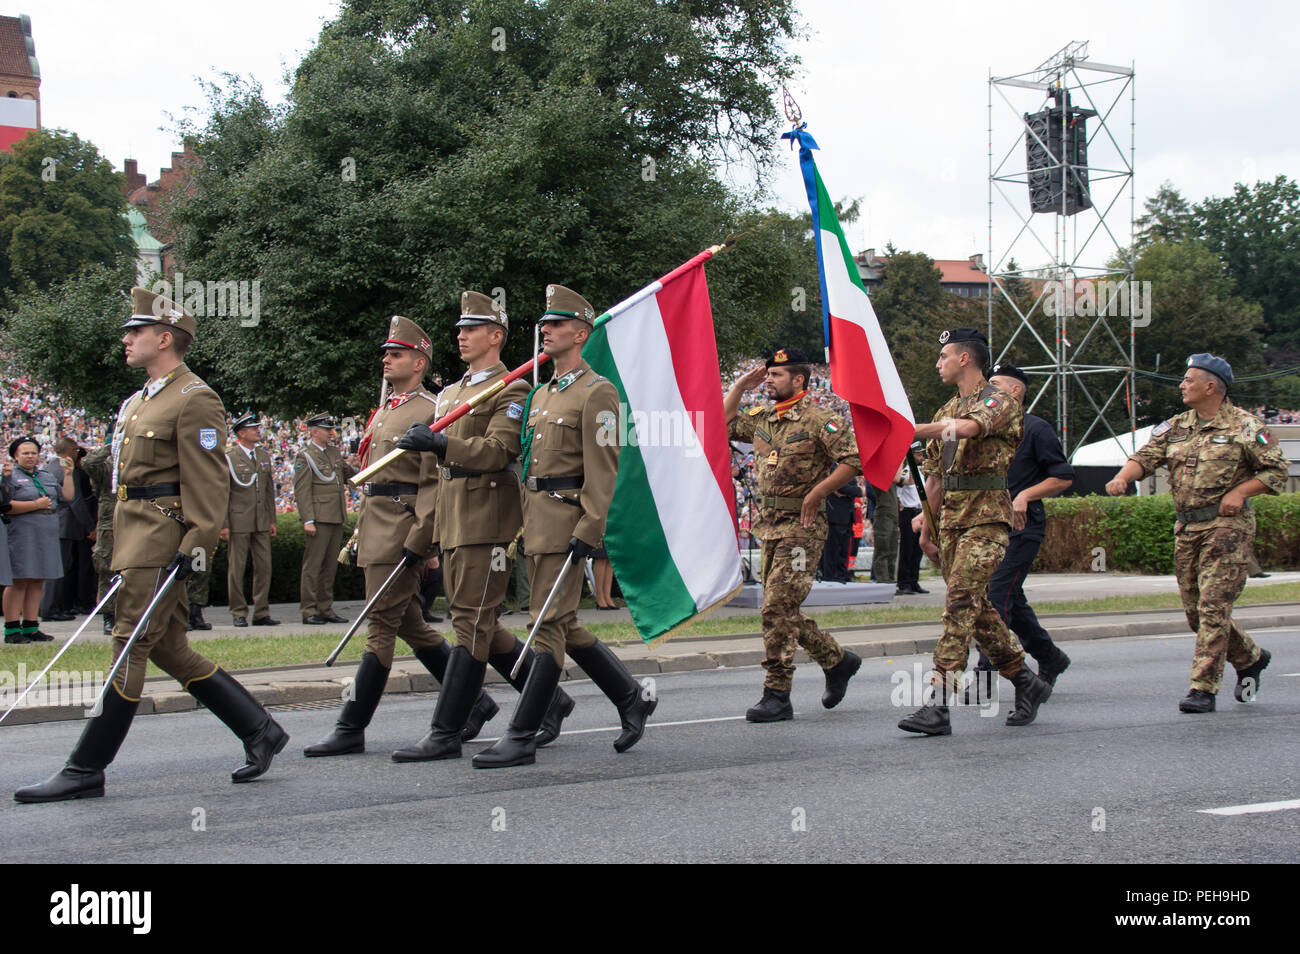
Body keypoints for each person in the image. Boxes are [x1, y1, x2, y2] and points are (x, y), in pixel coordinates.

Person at [15, 287, 288, 803]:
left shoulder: (195, 398)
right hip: (133, 531)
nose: (126, 338)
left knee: (129, 642)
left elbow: (208, 483)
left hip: (162, 536)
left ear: (164, 339)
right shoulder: (140, 400)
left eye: (135, 331)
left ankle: (86, 767)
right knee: (168, 646)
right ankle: (260, 729)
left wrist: (195, 544)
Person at [472, 284, 656, 768]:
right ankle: (631, 697)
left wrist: (590, 528)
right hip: (537, 522)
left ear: (580, 332)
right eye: (544, 324)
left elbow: (606, 467)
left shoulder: (600, 393)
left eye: (555, 324)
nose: (545, 331)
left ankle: (521, 733)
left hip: (568, 521)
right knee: (563, 623)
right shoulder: (539, 394)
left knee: (545, 625)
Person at [391, 289, 575, 761]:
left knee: (471, 623)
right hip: (452, 517)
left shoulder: (511, 389)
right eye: (459, 329)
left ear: (495, 336)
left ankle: (446, 730)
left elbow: (498, 452)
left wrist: (441, 446)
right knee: (474, 621)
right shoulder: (451, 394)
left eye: (470, 329)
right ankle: (550, 698)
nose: (460, 336)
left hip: (486, 520)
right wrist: (426, 528)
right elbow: (435, 476)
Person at [303, 314, 497, 757]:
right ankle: (476, 700)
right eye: (387, 354)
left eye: (397, 354)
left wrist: (421, 537)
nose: (387, 361)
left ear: (419, 361)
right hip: (376, 521)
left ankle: (351, 725)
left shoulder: (429, 410)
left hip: (400, 524)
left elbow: (433, 482)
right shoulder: (386, 409)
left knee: (380, 626)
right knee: (408, 622)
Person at [1106, 353, 1287, 713]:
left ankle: (1203, 688)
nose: (1182, 385)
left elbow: (1277, 470)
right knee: (1195, 612)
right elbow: (1145, 456)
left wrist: (1240, 493)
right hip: (1187, 526)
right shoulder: (1175, 426)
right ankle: (1250, 657)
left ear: (1211, 386)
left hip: (1227, 527)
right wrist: (1123, 477)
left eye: (1189, 380)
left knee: (1213, 606)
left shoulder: (1245, 426)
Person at [899, 328, 1053, 735]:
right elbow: (934, 479)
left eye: (944, 356)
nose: (938, 363)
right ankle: (1026, 680)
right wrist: (926, 532)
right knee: (978, 611)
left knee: (959, 602)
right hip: (951, 520)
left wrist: (909, 430)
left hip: (986, 519)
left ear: (965, 359)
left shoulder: (998, 401)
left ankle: (937, 703)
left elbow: (967, 429)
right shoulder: (946, 409)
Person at [723, 348, 863, 722]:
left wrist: (818, 492)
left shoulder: (821, 419)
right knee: (783, 611)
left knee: (776, 609)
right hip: (769, 527)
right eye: (768, 374)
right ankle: (837, 661)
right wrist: (740, 385)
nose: (768, 380)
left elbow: (854, 459)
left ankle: (777, 693)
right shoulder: (765, 418)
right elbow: (723, 422)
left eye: (777, 375)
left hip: (802, 530)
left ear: (799, 379)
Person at [971, 364, 1075, 685]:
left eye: (996, 385)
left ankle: (988, 667)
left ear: (1015, 391)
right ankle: (1049, 657)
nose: (988, 391)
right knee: (1011, 598)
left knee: (996, 594)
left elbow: (1062, 477)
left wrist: (1025, 495)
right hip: (989, 527)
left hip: (1021, 528)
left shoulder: (1036, 429)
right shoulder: (985, 430)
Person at [3, 436, 73, 643]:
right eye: (25, 453)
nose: (30, 456)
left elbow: (67, 497)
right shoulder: (10, 476)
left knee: (37, 579)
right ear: (15, 456)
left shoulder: (46, 476)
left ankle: (31, 626)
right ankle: (12, 628)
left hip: (46, 532)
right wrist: (35, 505)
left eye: (33, 452)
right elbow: (6, 505)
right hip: (21, 532)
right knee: (18, 580)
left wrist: (68, 475)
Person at [294, 413, 356, 625]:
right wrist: (307, 519)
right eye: (326, 429)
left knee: (330, 567)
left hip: (336, 515)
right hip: (319, 518)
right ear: (314, 431)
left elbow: (350, 475)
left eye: (331, 429)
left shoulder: (333, 452)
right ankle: (309, 610)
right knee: (313, 567)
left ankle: (325, 608)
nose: (331, 433)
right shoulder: (305, 456)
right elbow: (302, 491)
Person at [222, 412, 278, 627]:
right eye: (253, 428)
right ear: (241, 433)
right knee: (237, 568)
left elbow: (268, 491)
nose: (258, 431)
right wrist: (224, 525)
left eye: (258, 427)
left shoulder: (262, 456)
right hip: (238, 521)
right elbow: (223, 494)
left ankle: (261, 612)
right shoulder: (230, 457)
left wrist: (272, 519)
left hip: (261, 521)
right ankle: (238, 612)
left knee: (264, 567)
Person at [80, 444, 119, 634]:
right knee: (107, 568)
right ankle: (109, 616)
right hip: (109, 522)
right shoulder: (107, 465)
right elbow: (88, 463)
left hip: (137, 519)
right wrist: (112, 446)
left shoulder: (137, 459)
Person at [896, 450, 928, 595]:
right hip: (908, 512)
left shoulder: (920, 473)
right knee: (907, 549)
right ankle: (904, 582)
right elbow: (899, 492)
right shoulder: (905, 472)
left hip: (919, 512)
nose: (921, 458)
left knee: (917, 549)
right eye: (918, 455)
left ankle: (914, 581)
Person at [819, 478, 861, 583]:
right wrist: (857, 491)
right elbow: (840, 487)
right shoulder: (833, 467)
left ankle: (841, 574)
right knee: (832, 549)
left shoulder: (849, 470)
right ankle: (830, 576)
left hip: (848, 515)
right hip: (835, 514)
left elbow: (848, 489)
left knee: (844, 549)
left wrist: (851, 491)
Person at [869, 477, 898, 583]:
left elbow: (909, 481)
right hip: (883, 515)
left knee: (892, 550)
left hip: (893, 514)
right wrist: (900, 461)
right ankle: (882, 580)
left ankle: (890, 580)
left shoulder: (893, 477)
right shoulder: (881, 476)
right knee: (882, 549)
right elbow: (897, 478)